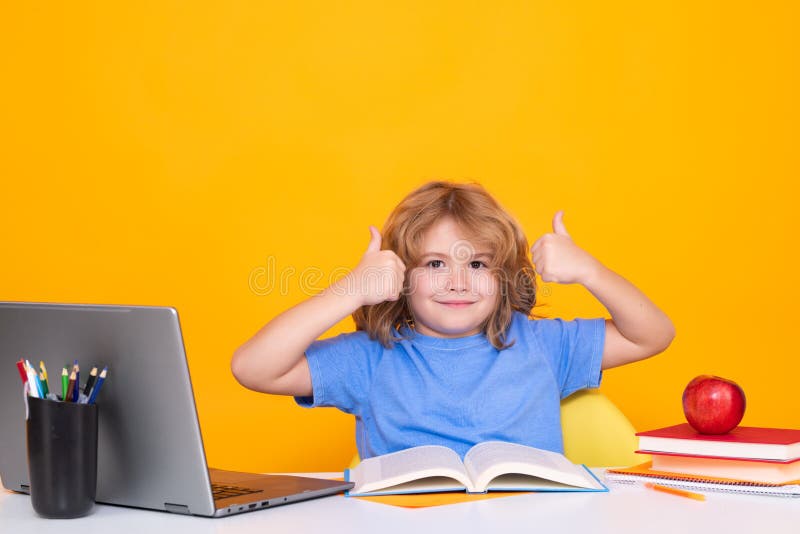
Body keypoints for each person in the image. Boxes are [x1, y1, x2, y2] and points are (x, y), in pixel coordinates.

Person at [232, 181, 675, 460]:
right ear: (400, 276)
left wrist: (590, 272)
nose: (458, 282)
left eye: (478, 265)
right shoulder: (368, 359)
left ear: (503, 277)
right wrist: (349, 291)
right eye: (436, 265)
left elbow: (654, 335)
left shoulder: (544, 344)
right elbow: (253, 368)